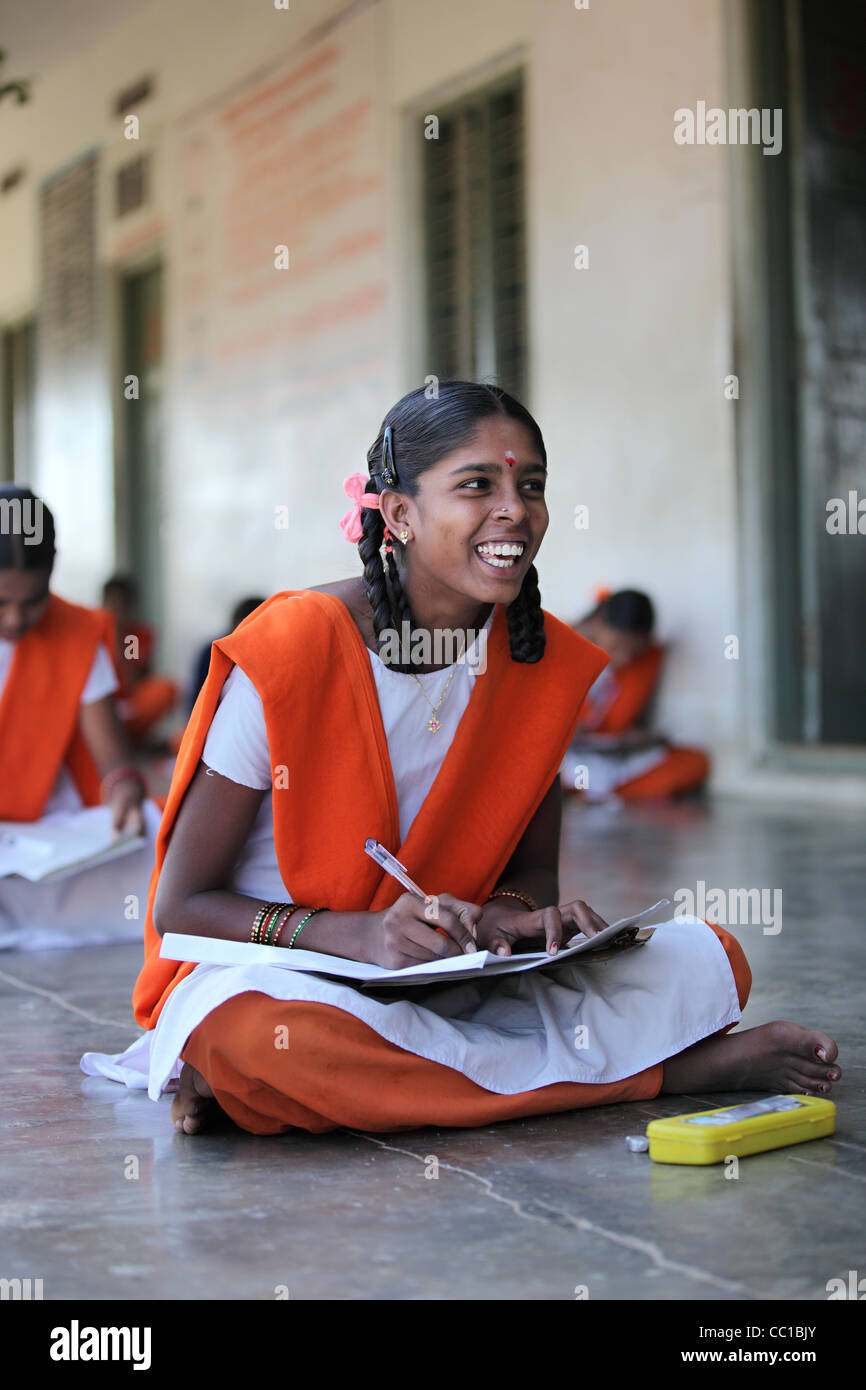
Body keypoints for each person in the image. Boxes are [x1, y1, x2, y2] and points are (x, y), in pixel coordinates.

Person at [80, 384, 840, 1134]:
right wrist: (360, 937)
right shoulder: (292, 650)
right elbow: (181, 905)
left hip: (448, 974)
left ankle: (315, 1088)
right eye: (477, 484)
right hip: (284, 975)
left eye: (530, 485)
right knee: (261, 1044)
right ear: (400, 513)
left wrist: (518, 922)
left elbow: (529, 874)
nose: (515, 508)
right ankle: (668, 1076)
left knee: (711, 959)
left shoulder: (540, 660)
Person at [0, 485, 160, 949]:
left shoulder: (77, 632)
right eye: (0, 602)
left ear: (51, 570)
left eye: (31, 602)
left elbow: (112, 757)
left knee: (160, 841)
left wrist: (124, 788)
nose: (13, 619)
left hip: (52, 839)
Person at [560, 589, 711, 801]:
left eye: (634, 651)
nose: (624, 658)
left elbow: (619, 719)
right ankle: (578, 789)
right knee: (538, 767)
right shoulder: (557, 644)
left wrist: (635, 737)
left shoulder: (646, 660)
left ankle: (583, 791)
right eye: (617, 646)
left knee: (694, 763)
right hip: (561, 755)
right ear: (597, 623)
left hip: (611, 757)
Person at [102, 573, 178, 745]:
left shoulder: (136, 636)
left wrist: (120, 637)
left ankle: (131, 739)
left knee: (164, 689)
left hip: (129, 706)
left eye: (121, 605)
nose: (115, 610)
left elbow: (134, 682)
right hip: (102, 704)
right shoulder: (94, 633)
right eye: (111, 603)